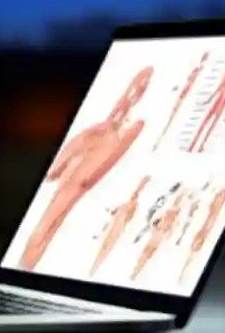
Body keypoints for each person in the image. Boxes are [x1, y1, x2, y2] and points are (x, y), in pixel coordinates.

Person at [19, 65, 150, 271]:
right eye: (135, 86)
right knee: (49, 221)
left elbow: (108, 157)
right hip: (74, 178)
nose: (135, 93)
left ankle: (27, 265)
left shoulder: (122, 129)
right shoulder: (103, 127)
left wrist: (83, 177)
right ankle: (25, 265)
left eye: (141, 87)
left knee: (53, 221)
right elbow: (76, 145)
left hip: (80, 181)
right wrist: (58, 168)